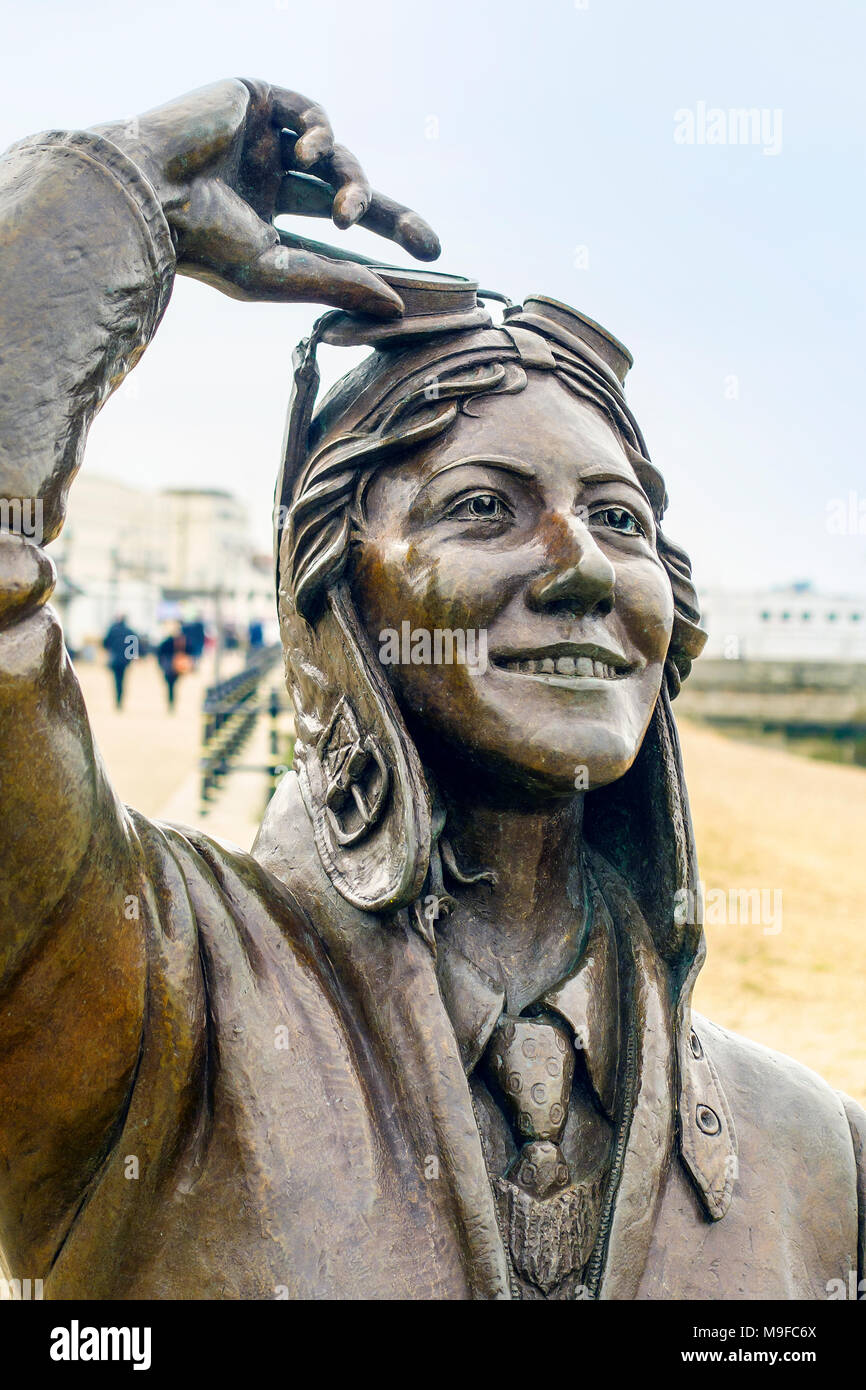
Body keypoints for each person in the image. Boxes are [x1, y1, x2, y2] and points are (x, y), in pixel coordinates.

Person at [0, 79, 862, 1302]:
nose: (575, 568)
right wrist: (110, 195)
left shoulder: (816, 1158)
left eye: (615, 519)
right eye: (480, 508)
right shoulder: (150, 1009)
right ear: (332, 594)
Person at [102, 613, 139, 709]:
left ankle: (117, 700)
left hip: (114, 659)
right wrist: (132, 657)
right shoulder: (129, 631)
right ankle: (120, 700)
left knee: (116, 680)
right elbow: (135, 644)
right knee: (123, 680)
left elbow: (105, 643)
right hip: (125, 660)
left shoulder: (113, 630)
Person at [156, 621, 191, 710]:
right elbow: (189, 651)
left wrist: (161, 665)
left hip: (168, 666)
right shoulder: (182, 641)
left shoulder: (167, 641)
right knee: (173, 685)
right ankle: (172, 701)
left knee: (170, 686)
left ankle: (171, 701)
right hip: (177, 666)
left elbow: (159, 654)